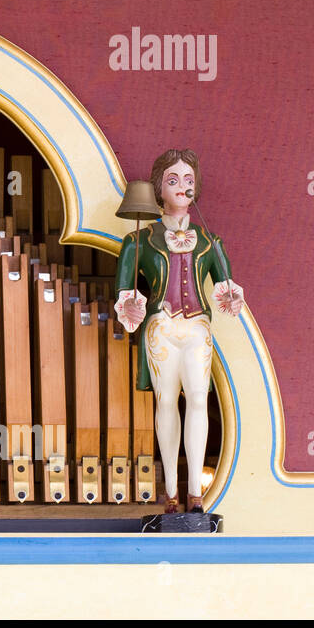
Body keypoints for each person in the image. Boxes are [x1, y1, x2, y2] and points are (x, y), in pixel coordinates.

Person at [114, 149, 244, 514]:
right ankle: (171, 490)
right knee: (167, 401)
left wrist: (231, 294)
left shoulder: (209, 241)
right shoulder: (140, 241)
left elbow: (225, 283)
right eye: (173, 180)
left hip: (198, 326)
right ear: (159, 188)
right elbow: (124, 289)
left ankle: (196, 495)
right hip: (162, 327)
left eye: (188, 180)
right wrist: (130, 303)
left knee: (200, 399)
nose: (182, 187)